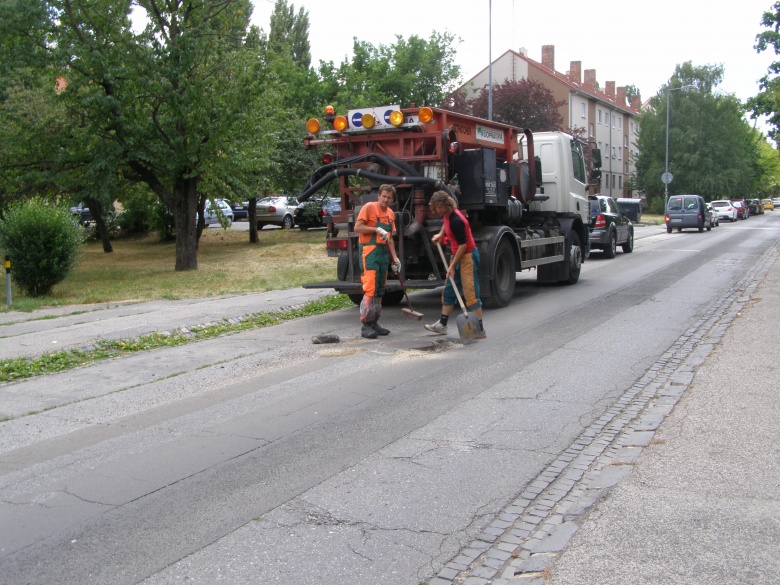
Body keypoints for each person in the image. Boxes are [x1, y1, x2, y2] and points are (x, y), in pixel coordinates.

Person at [424, 190, 486, 338]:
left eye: (440, 207)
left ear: (447, 204)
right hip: (457, 255)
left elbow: (463, 246)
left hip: (467, 257)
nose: (438, 210)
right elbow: (446, 224)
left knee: (470, 294)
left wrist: (452, 266)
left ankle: (479, 329)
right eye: (436, 207)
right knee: (449, 290)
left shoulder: (457, 220)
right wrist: (441, 234)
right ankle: (442, 325)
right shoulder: (447, 215)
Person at [354, 184, 402, 339]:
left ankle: (374, 322)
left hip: (383, 253)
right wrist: (376, 230)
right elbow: (358, 227)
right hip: (370, 252)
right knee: (370, 288)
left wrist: (395, 258)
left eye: (389, 198)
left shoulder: (390, 214)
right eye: (384, 196)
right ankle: (366, 325)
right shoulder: (369, 207)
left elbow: (390, 239)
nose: (386, 200)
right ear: (379, 196)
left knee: (380, 288)